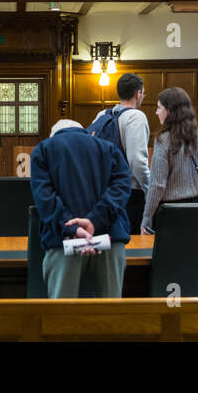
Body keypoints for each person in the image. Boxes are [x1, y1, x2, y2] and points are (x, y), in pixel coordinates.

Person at [29, 118, 131, 298]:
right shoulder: (109, 149)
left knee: (62, 317)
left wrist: (73, 228)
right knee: (111, 315)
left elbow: (46, 199)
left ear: (53, 135)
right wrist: (94, 221)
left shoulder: (44, 149)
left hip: (64, 243)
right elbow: (121, 188)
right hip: (108, 240)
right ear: (83, 131)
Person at [141, 86, 198, 234]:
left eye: (159, 108)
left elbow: (157, 185)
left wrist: (146, 218)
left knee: (168, 255)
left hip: (169, 212)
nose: (156, 112)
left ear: (169, 110)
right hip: (195, 207)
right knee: (190, 253)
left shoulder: (163, 140)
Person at [88, 72, 150, 231]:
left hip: (101, 189)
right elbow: (137, 162)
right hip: (129, 193)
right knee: (131, 242)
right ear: (138, 93)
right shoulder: (136, 117)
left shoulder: (102, 114)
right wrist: (150, 190)